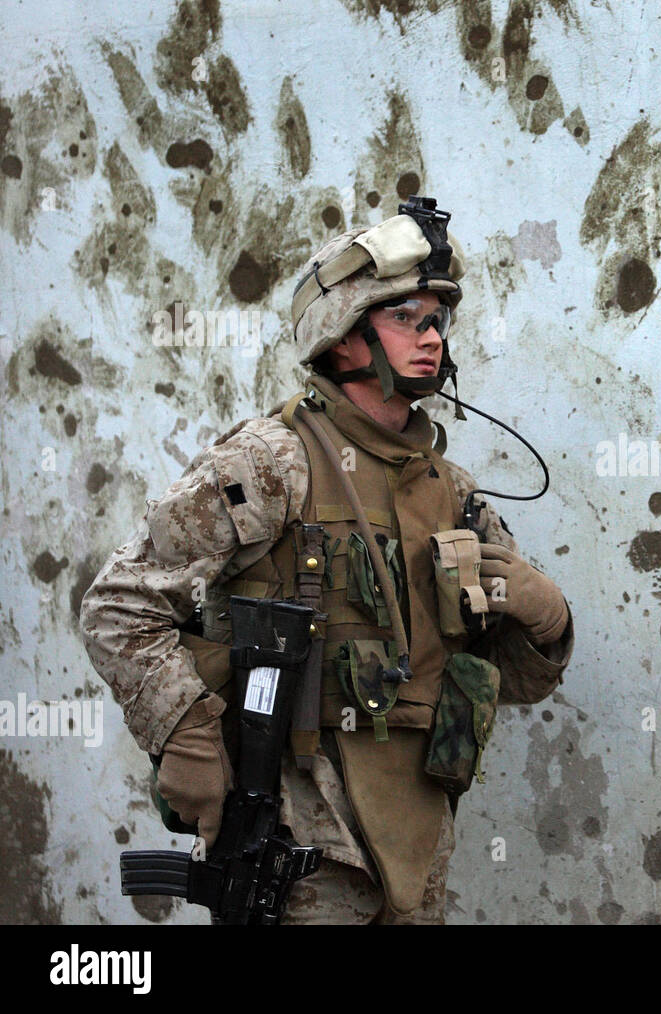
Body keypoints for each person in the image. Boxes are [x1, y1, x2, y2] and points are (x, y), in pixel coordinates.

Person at [79, 198, 575, 924]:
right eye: (405, 316)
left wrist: (548, 621)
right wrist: (185, 733)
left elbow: (514, 683)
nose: (431, 335)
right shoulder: (273, 461)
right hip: (301, 839)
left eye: (437, 318)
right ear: (341, 335)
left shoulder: (453, 494)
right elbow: (119, 606)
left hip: (418, 847)